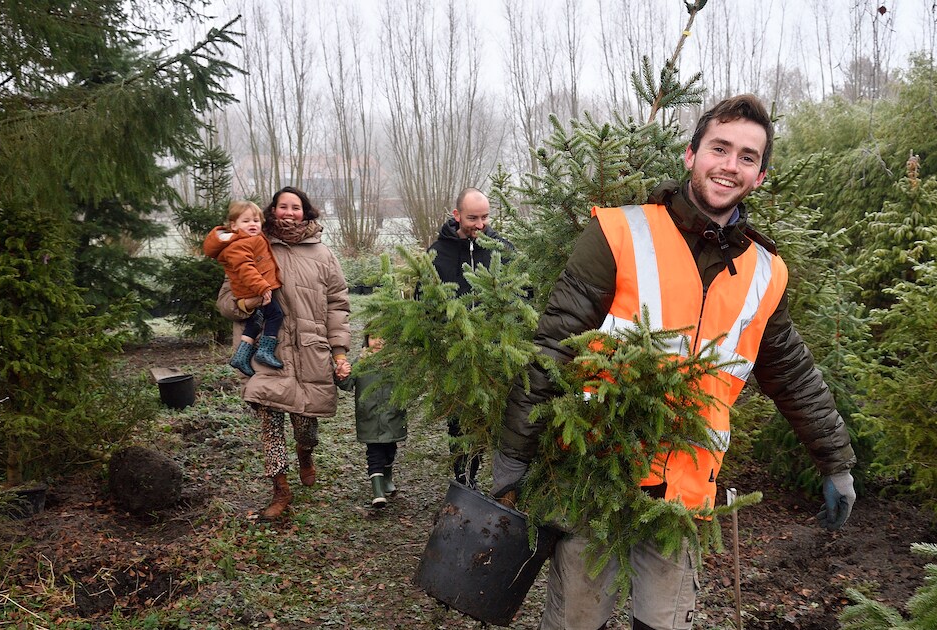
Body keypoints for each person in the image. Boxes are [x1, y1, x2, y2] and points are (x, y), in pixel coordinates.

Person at [490, 94, 858, 629]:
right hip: (598, 474)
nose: (731, 165)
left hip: (685, 492)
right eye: (720, 148)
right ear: (691, 155)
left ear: (760, 175)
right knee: (575, 621)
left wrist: (836, 462)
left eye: (748, 157)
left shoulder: (765, 271)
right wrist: (514, 451)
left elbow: (792, 373)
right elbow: (555, 346)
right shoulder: (620, 234)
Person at [216, 186, 353, 520]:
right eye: (282, 207)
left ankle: (305, 454)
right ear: (272, 211)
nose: (289, 213)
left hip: (310, 350)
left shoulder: (323, 255)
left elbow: (337, 304)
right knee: (270, 422)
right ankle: (280, 489)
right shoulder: (251, 246)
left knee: (305, 425)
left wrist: (339, 351)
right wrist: (247, 303)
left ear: (306, 212)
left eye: (296, 207)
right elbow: (225, 301)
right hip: (269, 350)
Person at [427, 187, 513, 488]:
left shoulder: (502, 248)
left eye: (485, 217)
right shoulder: (438, 253)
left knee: (498, 419)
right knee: (460, 422)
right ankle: (465, 479)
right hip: (457, 356)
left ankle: (504, 485)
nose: (480, 224)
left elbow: (522, 292)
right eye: (473, 218)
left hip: (497, 353)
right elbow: (424, 301)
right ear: (456, 215)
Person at [203, 200, 286, 377]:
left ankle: (241, 355)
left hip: (252, 289)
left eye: (256, 220)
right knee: (275, 314)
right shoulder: (240, 244)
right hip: (252, 290)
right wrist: (263, 287)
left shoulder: (250, 239)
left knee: (256, 319)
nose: (252, 224)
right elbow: (246, 269)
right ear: (234, 225)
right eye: (246, 221)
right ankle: (265, 350)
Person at [336, 336, 408, 508]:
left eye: (383, 336)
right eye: (373, 337)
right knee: (375, 453)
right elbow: (347, 384)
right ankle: (378, 493)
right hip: (369, 417)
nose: (378, 341)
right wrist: (341, 374)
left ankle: (387, 477)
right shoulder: (361, 362)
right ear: (366, 340)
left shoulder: (397, 362)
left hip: (392, 416)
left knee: (390, 450)